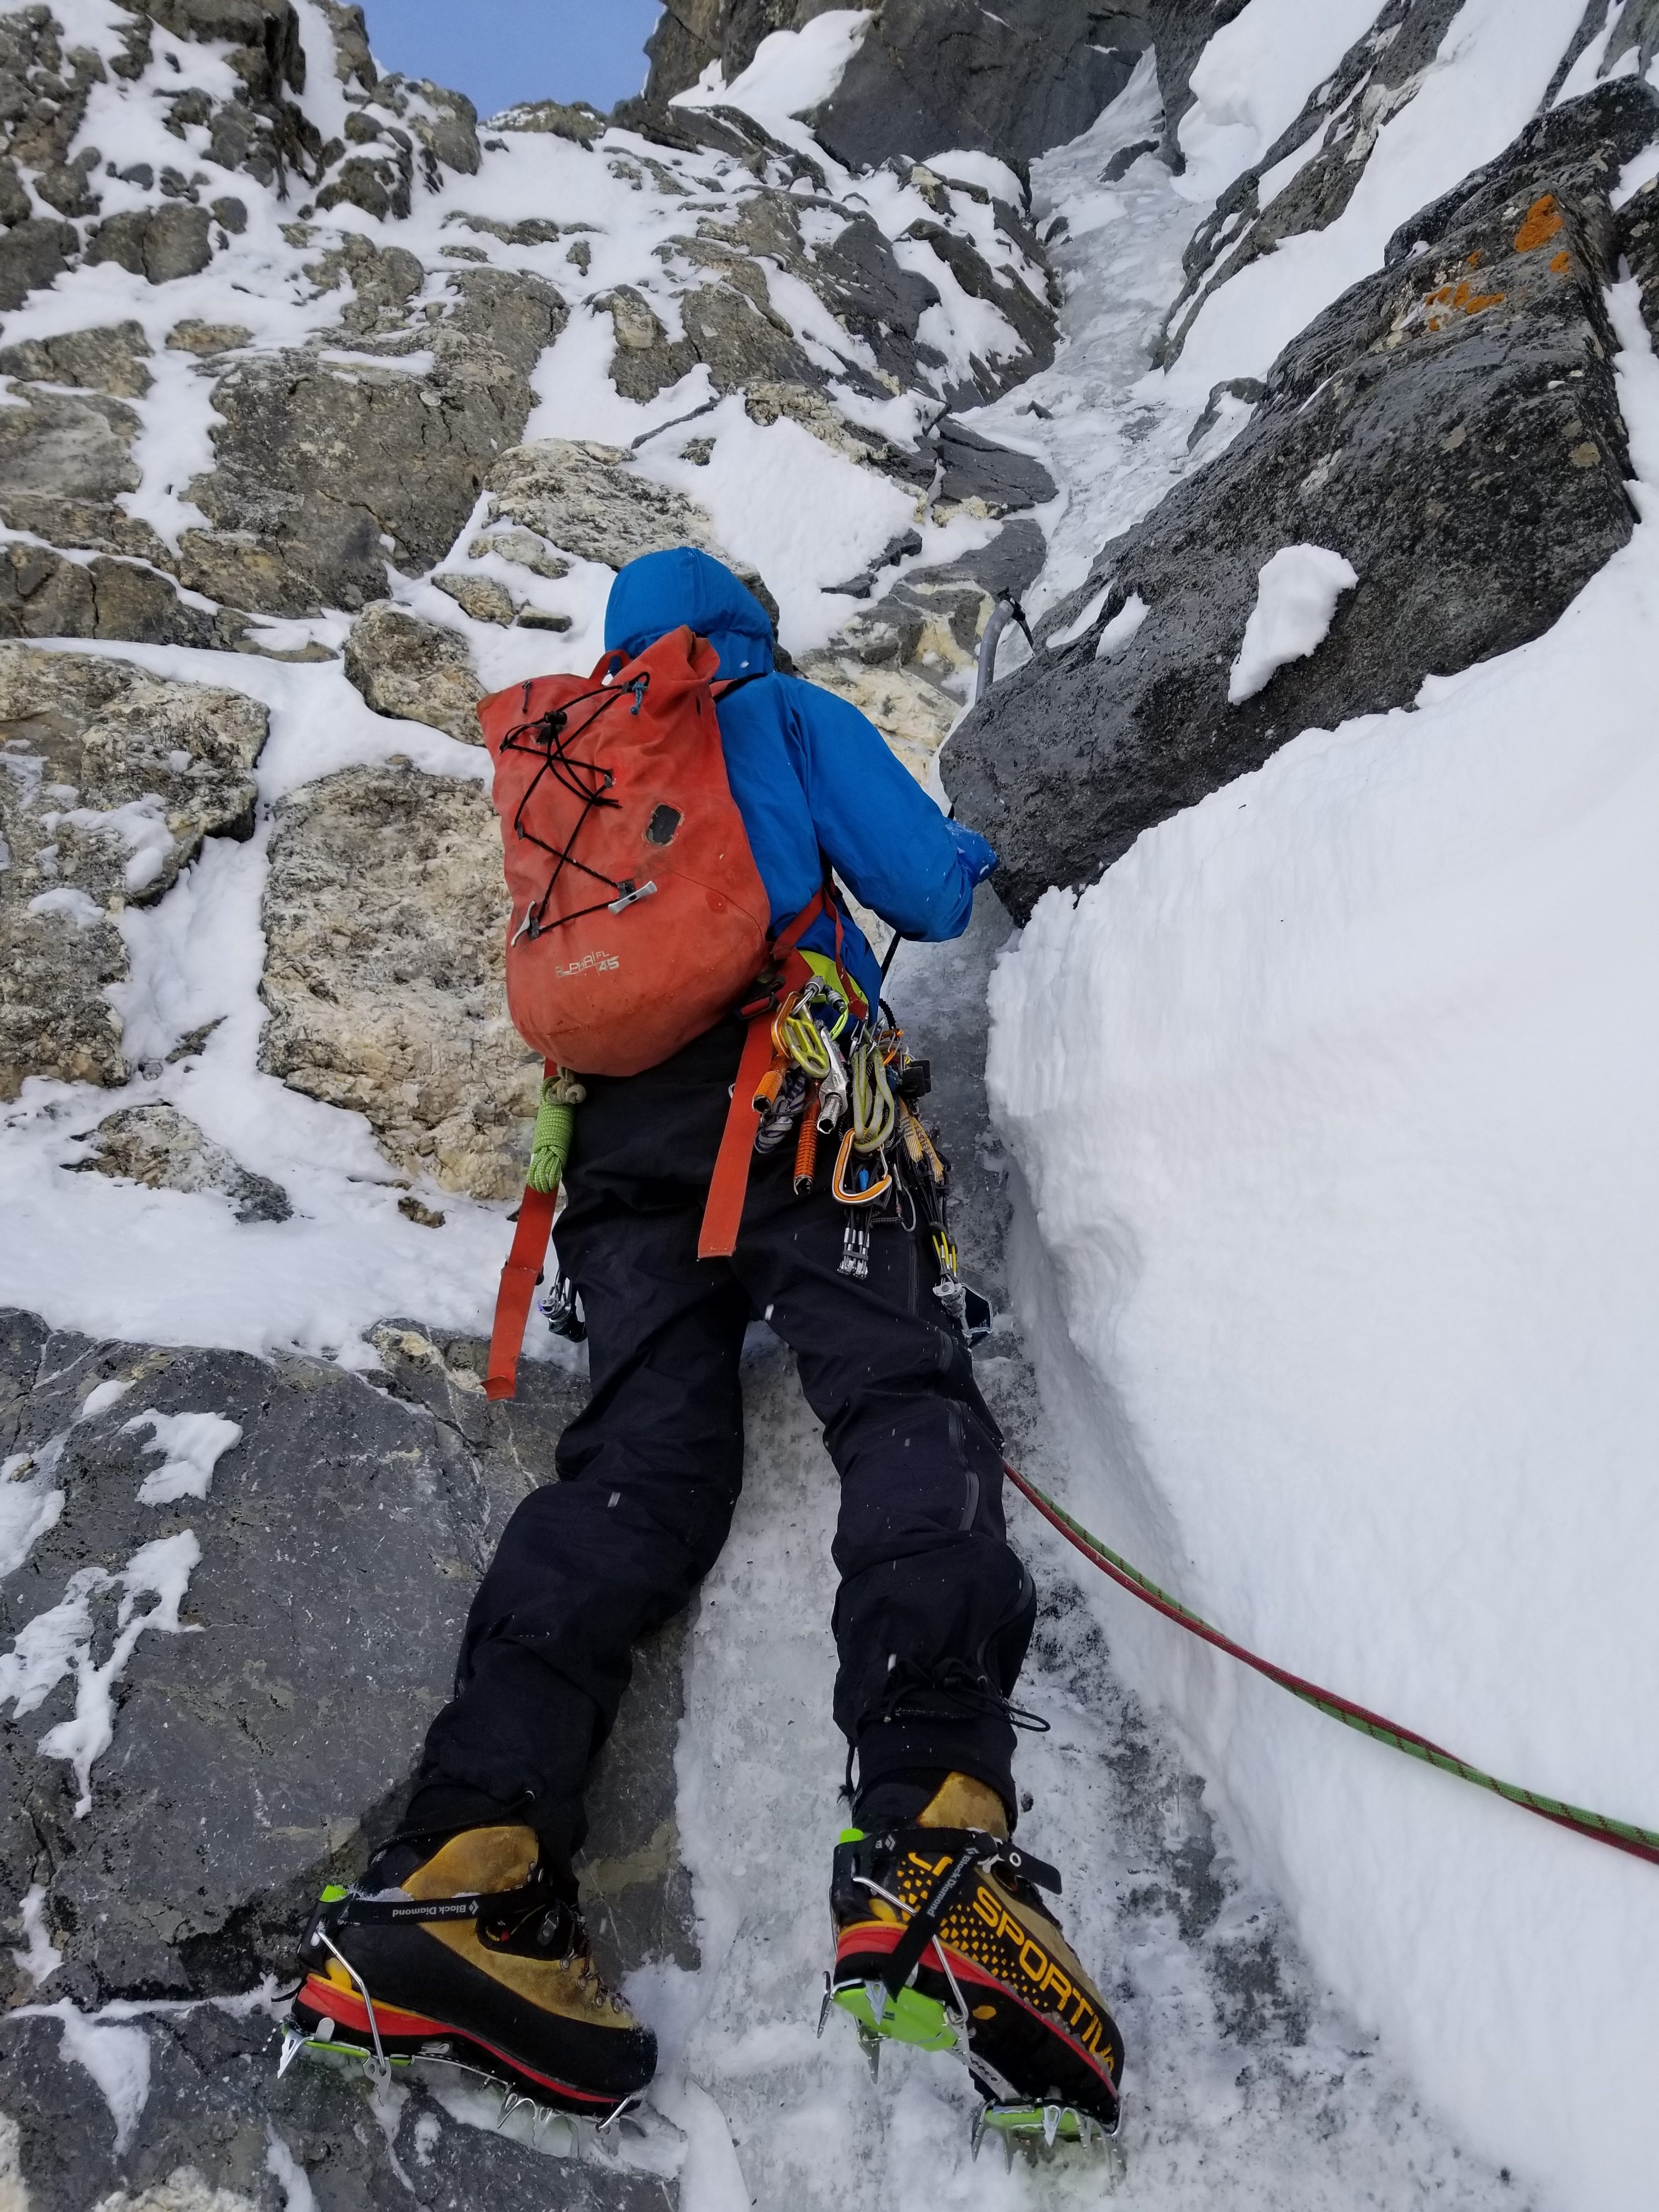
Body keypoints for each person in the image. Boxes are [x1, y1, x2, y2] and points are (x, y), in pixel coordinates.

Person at [290, 550, 1123, 2147]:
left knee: (644, 1465)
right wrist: (984, 838)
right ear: (749, 625)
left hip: (616, 1158)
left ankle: (464, 1868)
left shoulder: (583, 763)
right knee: (899, 1393)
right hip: (799, 1101)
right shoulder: (782, 708)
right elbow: (933, 892)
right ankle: (936, 1839)